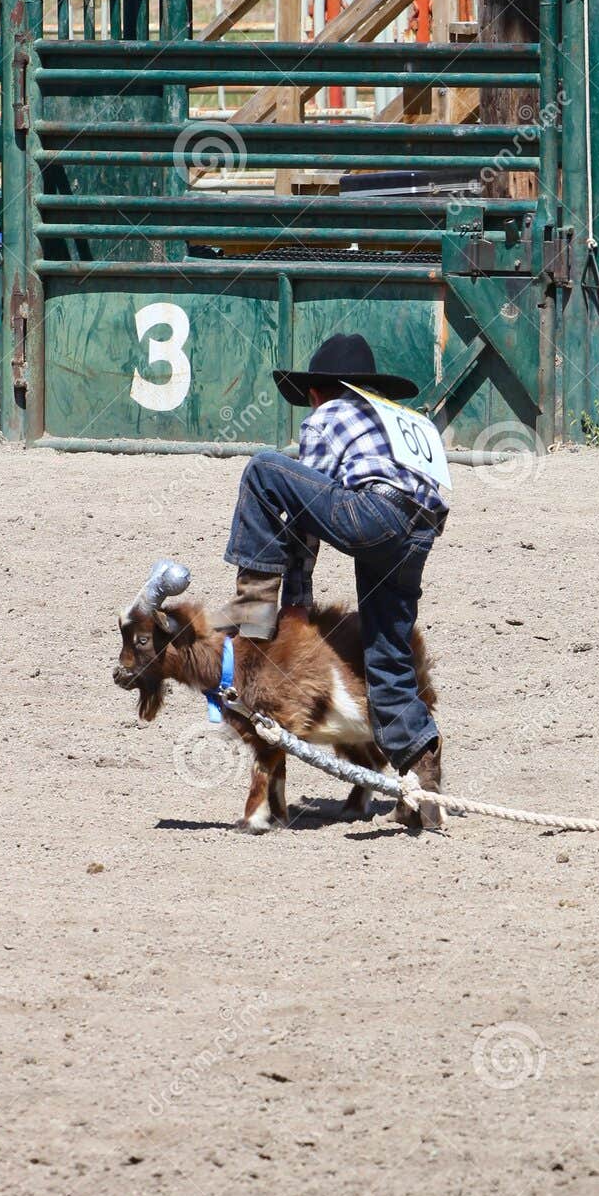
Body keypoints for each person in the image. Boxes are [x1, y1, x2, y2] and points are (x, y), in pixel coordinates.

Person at [212, 333, 448, 828]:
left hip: (373, 512)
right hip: (420, 528)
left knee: (262, 472)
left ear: (318, 392)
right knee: (387, 654)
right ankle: (421, 774)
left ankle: (253, 613)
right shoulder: (405, 420)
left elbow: (301, 515)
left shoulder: (327, 415)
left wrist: (295, 602)